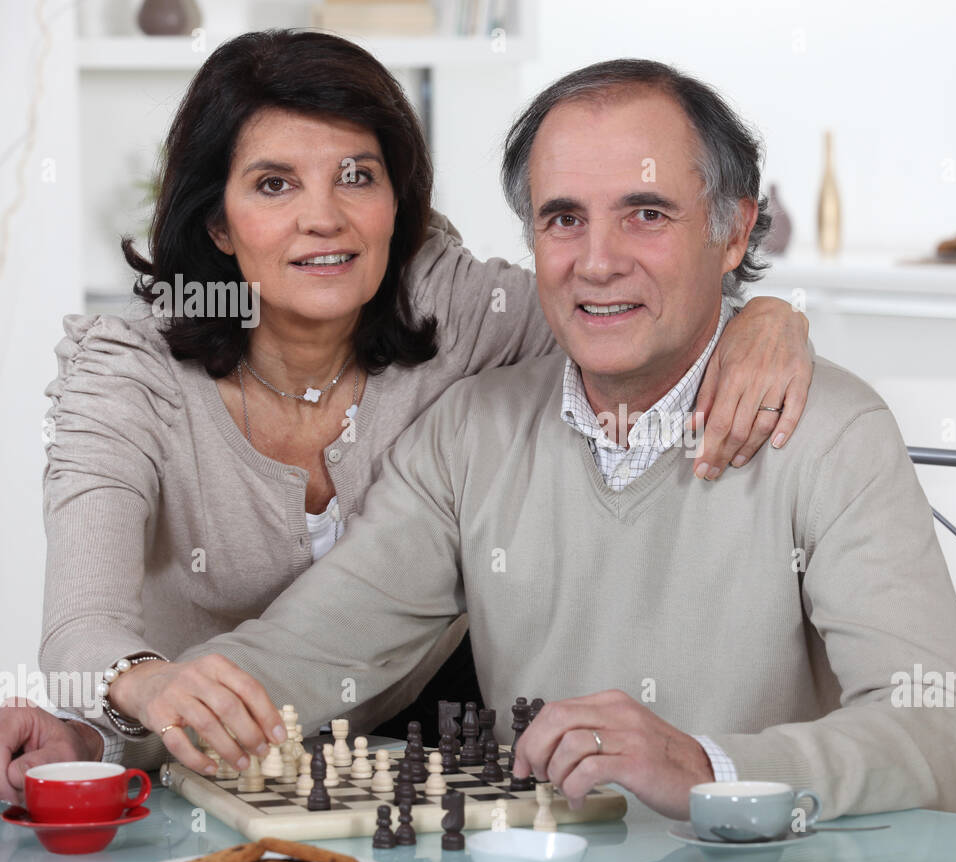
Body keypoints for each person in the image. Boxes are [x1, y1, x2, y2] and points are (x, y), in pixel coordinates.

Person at [103, 58, 956, 822]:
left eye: (646, 213)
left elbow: (946, 737)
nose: (597, 260)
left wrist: (708, 768)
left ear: (732, 230)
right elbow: (310, 653)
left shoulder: (831, 431)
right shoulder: (470, 431)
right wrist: (108, 722)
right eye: (564, 217)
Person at [0, 34, 815, 805]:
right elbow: (82, 627)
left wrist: (764, 313)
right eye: (274, 184)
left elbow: (623, 311)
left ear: (398, 199)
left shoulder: (457, 307)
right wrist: (135, 695)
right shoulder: (126, 370)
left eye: (357, 175)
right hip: (198, 742)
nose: (324, 218)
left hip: (426, 731)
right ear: (219, 222)